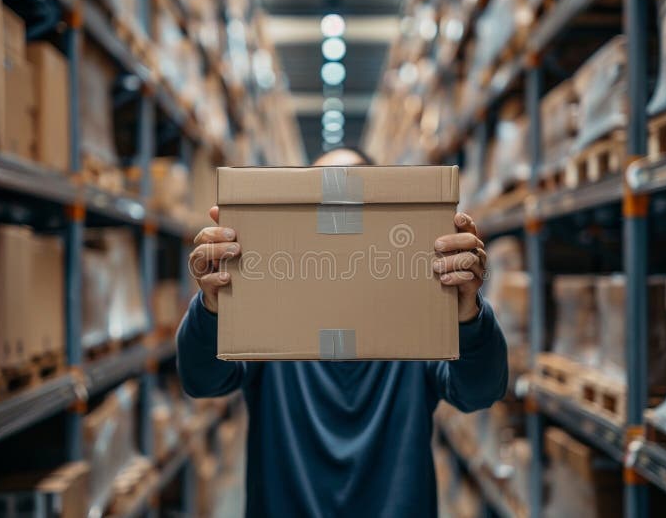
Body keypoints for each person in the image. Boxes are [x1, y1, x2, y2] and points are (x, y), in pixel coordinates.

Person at [176, 147, 508, 517]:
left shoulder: (415, 318)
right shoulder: (271, 317)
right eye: (321, 200)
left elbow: (479, 391)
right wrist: (211, 307)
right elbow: (201, 380)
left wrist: (469, 316)